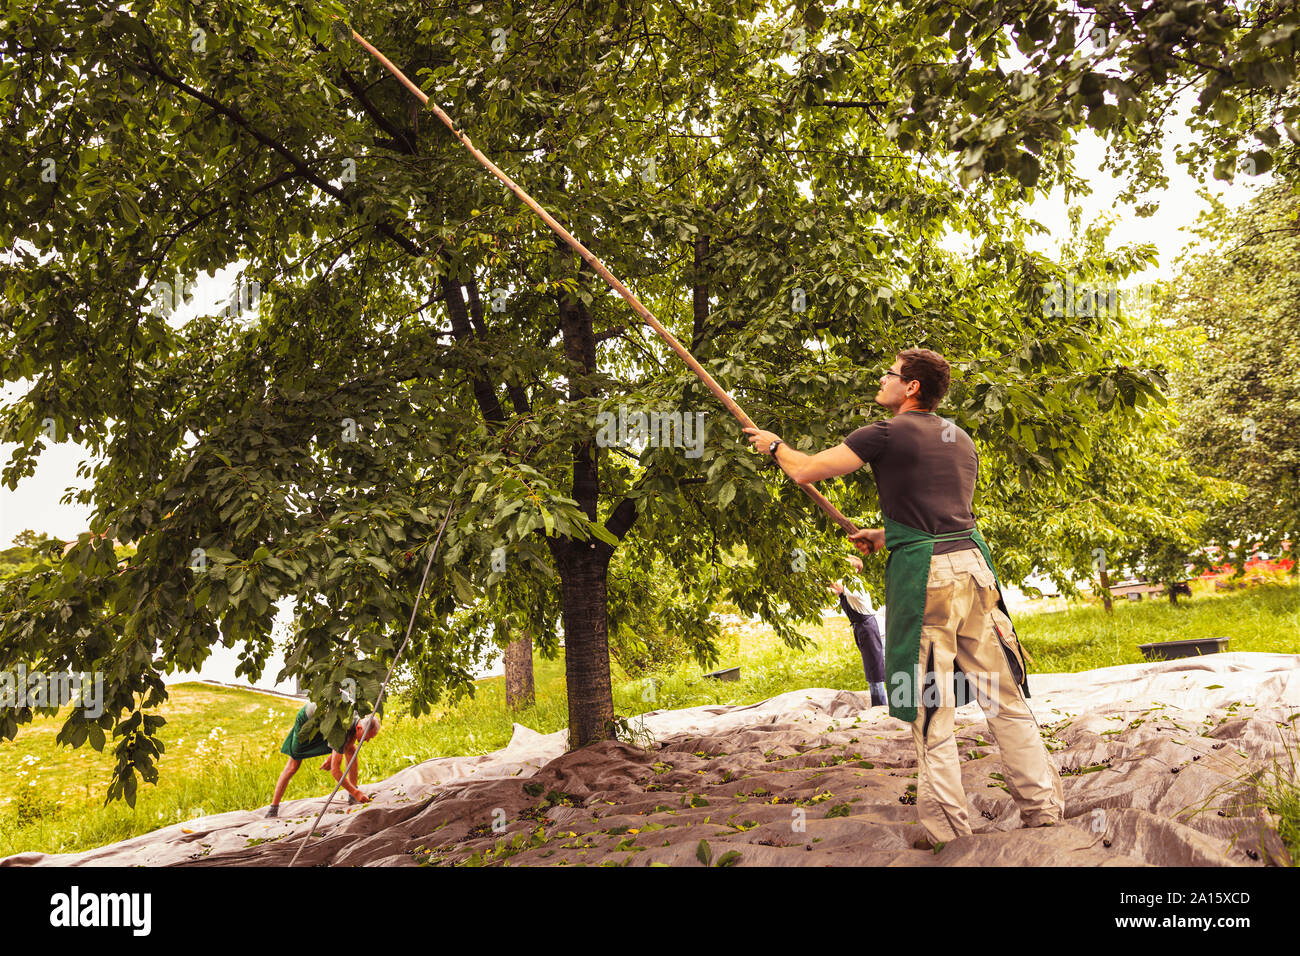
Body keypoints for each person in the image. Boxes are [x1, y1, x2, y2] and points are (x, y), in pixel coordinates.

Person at [744, 348, 1064, 848]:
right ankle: (1042, 810)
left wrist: (774, 446)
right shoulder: (959, 438)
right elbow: (941, 515)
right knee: (1005, 698)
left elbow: (807, 471)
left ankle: (952, 833)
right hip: (975, 572)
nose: (882, 380)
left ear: (911, 387)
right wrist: (884, 534)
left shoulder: (885, 432)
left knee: (932, 708)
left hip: (930, 579)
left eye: (890, 374)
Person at [266, 702, 381, 818]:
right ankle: (273, 809)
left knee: (351, 750)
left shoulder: (359, 716)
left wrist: (333, 755)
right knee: (293, 765)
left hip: (327, 722)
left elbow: (348, 743)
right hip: (308, 721)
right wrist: (357, 793)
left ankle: (352, 796)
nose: (367, 741)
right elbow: (335, 771)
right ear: (359, 728)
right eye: (367, 738)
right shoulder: (340, 730)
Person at [827, 555, 887, 706]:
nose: (841, 569)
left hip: (870, 629)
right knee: (874, 667)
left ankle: (880, 706)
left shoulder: (855, 583)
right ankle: (881, 702)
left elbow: (835, 586)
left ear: (855, 569)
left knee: (875, 669)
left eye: (845, 566)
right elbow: (832, 591)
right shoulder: (848, 584)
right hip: (863, 629)